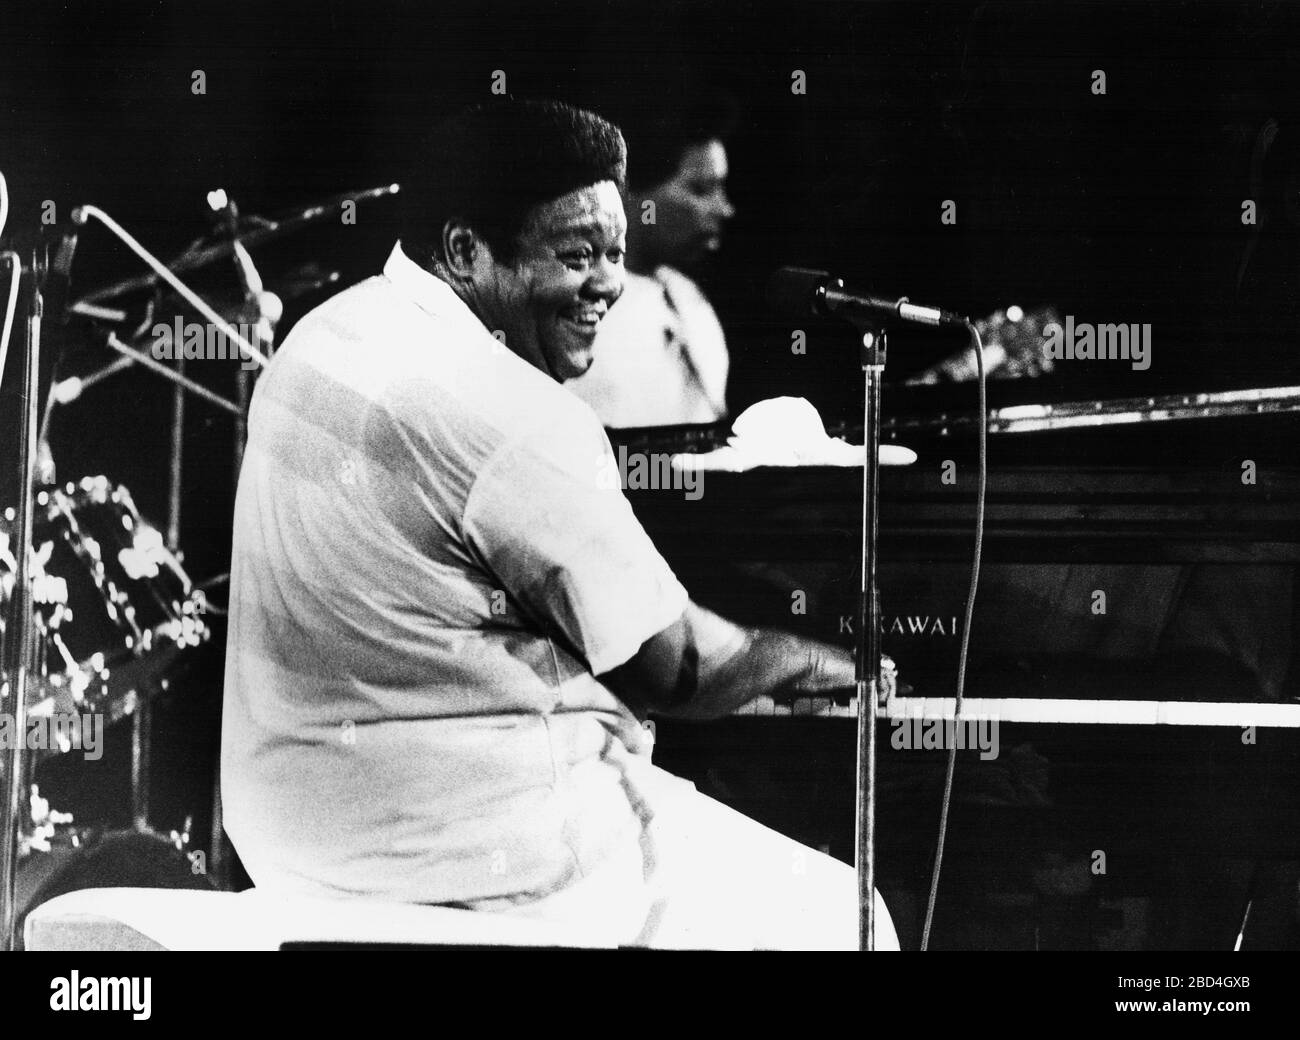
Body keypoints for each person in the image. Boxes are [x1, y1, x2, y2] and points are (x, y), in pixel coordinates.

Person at [220, 99, 897, 950]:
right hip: (484, 854)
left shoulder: (316, 339)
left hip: (289, 836)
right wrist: (791, 653)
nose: (610, 282)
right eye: (576, 255)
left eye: (616, 252)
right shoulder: (509, 406)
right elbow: (676, 669)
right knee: (846, 914)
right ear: (465, 249)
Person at [563, 90, 736, 427]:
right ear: (635, 198)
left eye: (722, 189)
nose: (725, 209)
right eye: (701, 190)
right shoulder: (569, 310)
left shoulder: (690, 299)